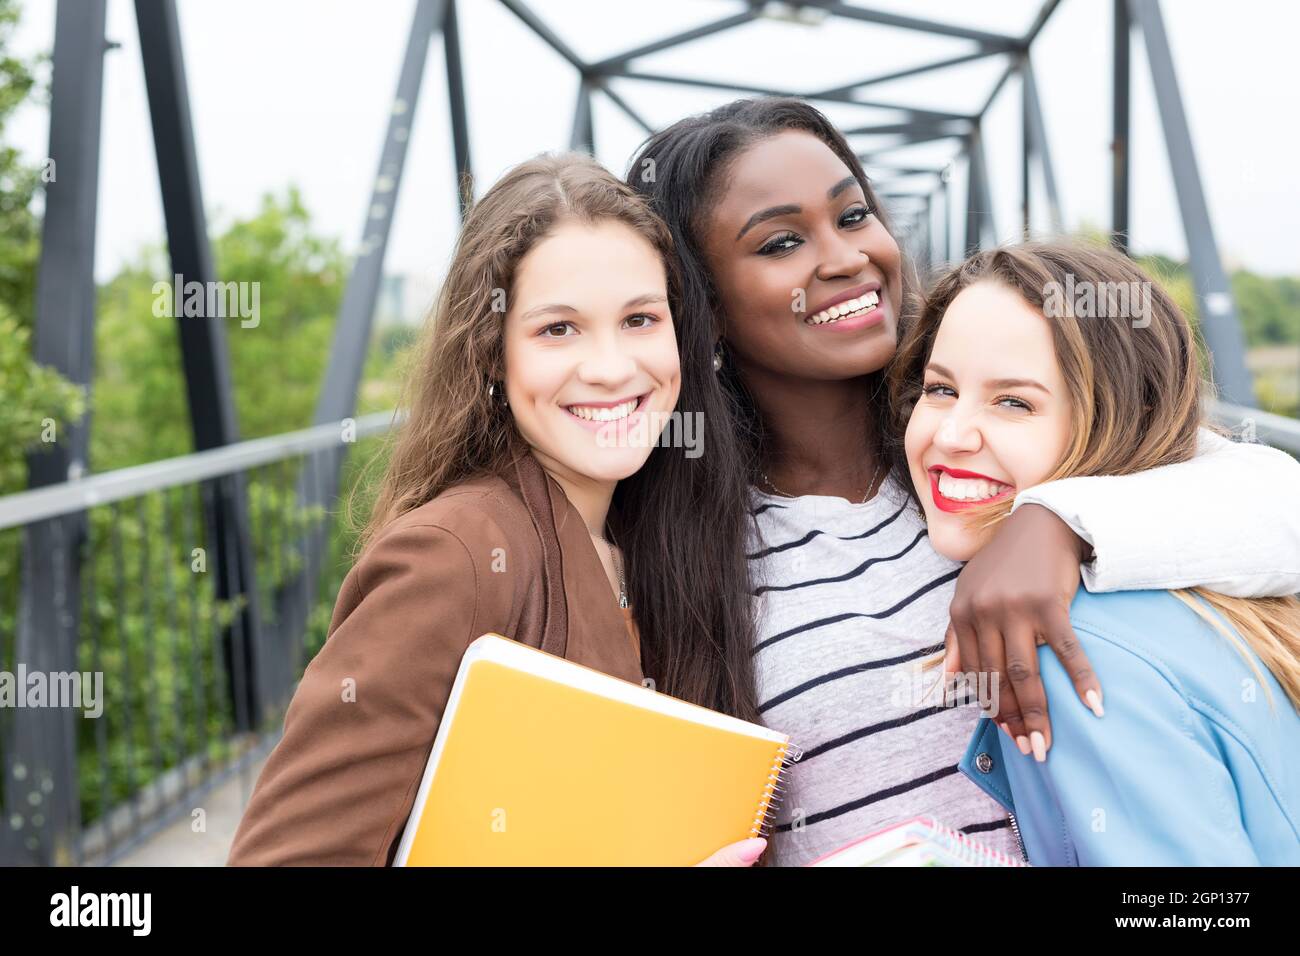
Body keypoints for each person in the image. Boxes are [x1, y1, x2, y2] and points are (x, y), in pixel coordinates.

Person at [626, 98, 1300, 865]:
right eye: (782, 242)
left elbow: (1278, 503)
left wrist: (1059, 522)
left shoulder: (997, 461)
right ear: (703, 306)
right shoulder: (680, 547)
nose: (845, 257)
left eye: (853, 217)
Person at [227, 153, 763, 866]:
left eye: (639, 319)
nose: (610, 367)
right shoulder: (453, 555)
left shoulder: (646, 539)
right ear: (491, 354)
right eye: (558, 330)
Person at [894, 240, 1300, 864]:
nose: (950, 434)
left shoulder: (1072, 648)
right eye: (940, 389)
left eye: (1013, 402)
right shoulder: (1227, 594)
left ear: (1120, 421)